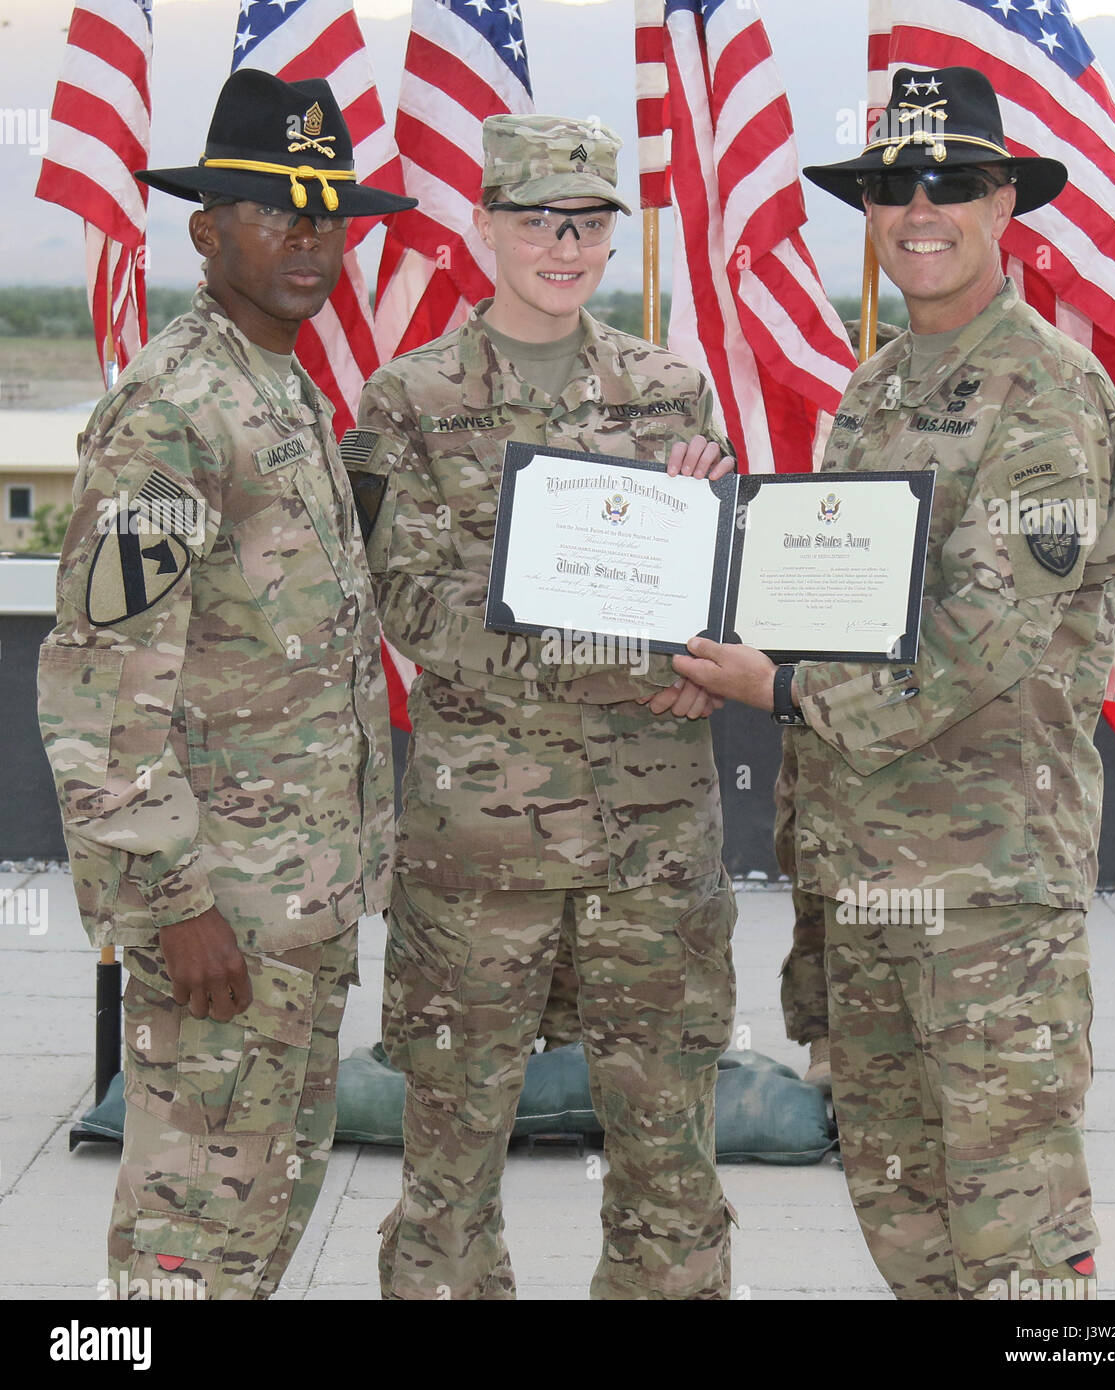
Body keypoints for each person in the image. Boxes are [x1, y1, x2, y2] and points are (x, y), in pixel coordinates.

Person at [673, 67, 1115, 1300]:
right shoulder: (874, 390)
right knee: (899, 1201)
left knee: (1017, 1232)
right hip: (858, 876)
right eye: (891, 186)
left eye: (950, 183)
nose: (916, 208)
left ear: (1003, 204)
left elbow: (982, 636)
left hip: (983, 888)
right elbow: (822, 602)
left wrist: (775, 690)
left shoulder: (1045, 393)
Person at [343, 114, 737, 1300]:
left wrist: (712, 644)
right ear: (483, 226)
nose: (562, 245)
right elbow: (414, 607)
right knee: (450, 1154)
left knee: (667, 1148)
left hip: (654, 836)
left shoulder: (670, 388)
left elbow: (717, 587)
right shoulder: (408, 397)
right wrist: (633, 658)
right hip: (484, 844)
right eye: (534, 220)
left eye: (586, 222)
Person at [37, 69, 414, 1300]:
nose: (308, 238)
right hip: (223, 909)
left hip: (295, 904)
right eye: (273, 210)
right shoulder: (177, 410)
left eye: (327, 213)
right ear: (205, 230)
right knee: (188, 1236)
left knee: (257, 1218)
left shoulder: (286, 391)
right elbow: (101, 686)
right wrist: (170, 901)